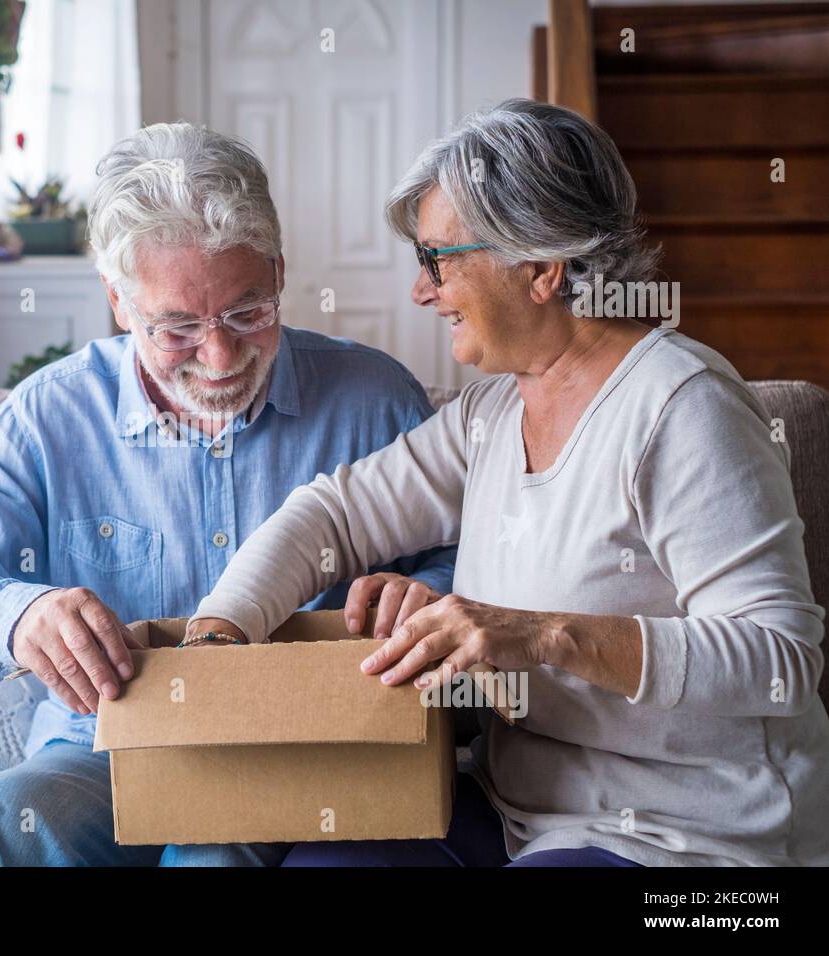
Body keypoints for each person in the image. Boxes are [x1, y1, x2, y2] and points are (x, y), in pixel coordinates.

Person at [187, 99, 829, 867]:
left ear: (540, 266)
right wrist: (218, 632)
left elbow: (779, 659)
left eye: (438, 259)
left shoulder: (681, 408)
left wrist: (547, 635)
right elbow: (336, 516)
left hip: (685, 840)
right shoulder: (492, 409)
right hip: (514, 810)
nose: (422, 292)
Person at [0, 121, 456, 866]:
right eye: (176, 327)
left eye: (247, 311)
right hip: (98, 755)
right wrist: (20, 616)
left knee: (213, 856)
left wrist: (423, 591)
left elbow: (473, 568)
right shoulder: (49, 417)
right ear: (119, 301)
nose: (218, 357)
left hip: (295, 753)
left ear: (278, 271)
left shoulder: (374, 400)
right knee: (2, 818)